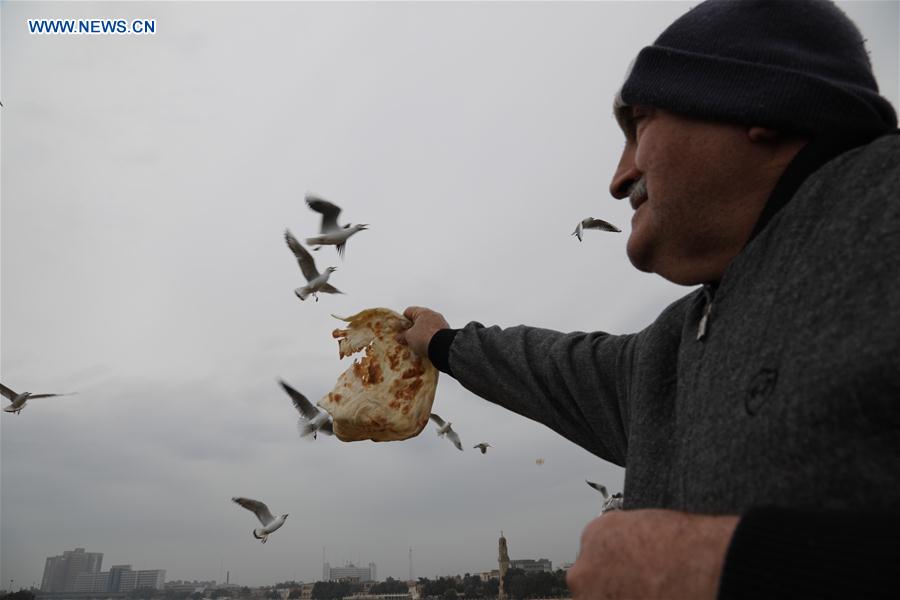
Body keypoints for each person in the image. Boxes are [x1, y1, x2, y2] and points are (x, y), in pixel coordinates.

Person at [400, 1, 900, 598]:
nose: (617, 179)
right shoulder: (675, 350)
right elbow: (557, 369)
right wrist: (442, 343)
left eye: (639, 126)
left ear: (760, 103)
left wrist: (731, 569)